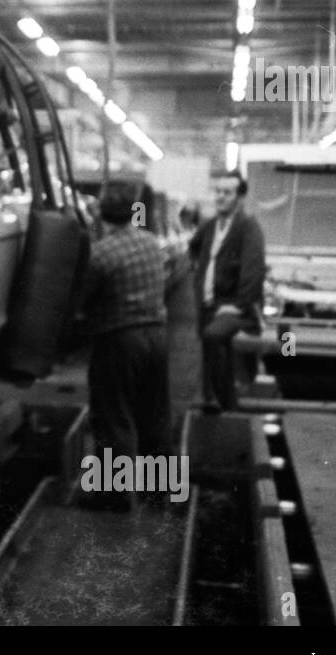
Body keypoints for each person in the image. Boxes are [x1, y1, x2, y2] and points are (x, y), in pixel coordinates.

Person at [81, 181, 171, 508]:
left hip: (120, 341)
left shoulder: (100, 254)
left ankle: (114, 497)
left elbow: (81, 300)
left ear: (101, 212)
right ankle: (158, 491)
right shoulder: (151, 243)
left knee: (114, 417)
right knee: (155, 415)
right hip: (157, 338)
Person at [188, 170, 266, 413]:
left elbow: (254, 269)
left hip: (232, 307)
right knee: (208, 351)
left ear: (239, 198)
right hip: (208, 305)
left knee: (214, 338)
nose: (220, 197)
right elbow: (194, 246)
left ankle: (229, 406)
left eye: (227, 192)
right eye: (218, 191)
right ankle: (210, 402)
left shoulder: (248, 226)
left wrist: (240, 305)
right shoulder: (211, 225)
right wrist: (199, 270)